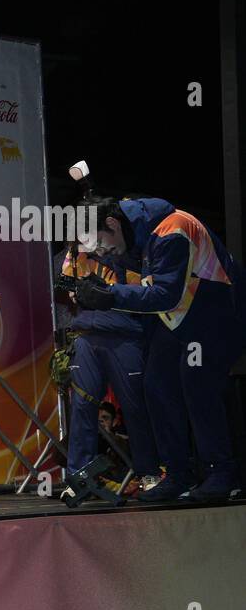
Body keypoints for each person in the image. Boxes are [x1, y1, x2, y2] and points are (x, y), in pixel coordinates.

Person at [75, 196, 246, 502]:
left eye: (99, 241)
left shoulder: (173, 229)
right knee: (155, 385)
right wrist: (96, 291)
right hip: (181, 317)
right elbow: (148, 289)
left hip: (215, 312)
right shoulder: (135, 236)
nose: (99, 252)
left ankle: (222, 473)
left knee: (196, 384)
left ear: (112, 224)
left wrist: (109, 294)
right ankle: (178, 475)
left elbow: (165, 294)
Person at [58, 244, 160, 497]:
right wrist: (79, 290)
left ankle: (149, 473)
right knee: (81, 407)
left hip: (124, 337)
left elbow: (146, 294)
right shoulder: (74, 254)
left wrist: (110, 288)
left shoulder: (133, 251)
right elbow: (68, 291)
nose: (83, 238)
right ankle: (79, 478)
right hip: (86, 337)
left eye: (89, 229)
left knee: (135, 406)